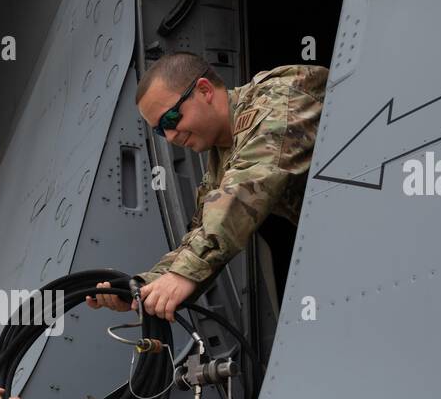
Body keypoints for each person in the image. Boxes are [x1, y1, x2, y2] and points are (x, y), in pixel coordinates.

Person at [88, 52, 328, 320]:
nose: (169, 137)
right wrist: (141, 288)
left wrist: (183, 275)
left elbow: (247, 186)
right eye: (159, 130)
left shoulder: (278, 98)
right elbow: (201, 233)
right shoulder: (221, 160)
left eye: (170, 120)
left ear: (204, 90)